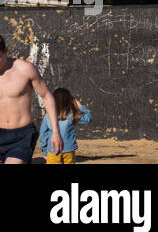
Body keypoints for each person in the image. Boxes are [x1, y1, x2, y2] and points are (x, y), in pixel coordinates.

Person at [0, 33, 60, 163]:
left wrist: (55, 131)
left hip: (21, 136)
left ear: (5, 51)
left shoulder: (25, 69)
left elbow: (47, 96)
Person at [39, 87, 92, 165]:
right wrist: (80, 106)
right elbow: (88, 118)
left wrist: (44, 150)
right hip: (69, 149)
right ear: (69, 100)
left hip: (53, 149)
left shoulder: (48, 116)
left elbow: (43, 134)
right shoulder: (72, 114)